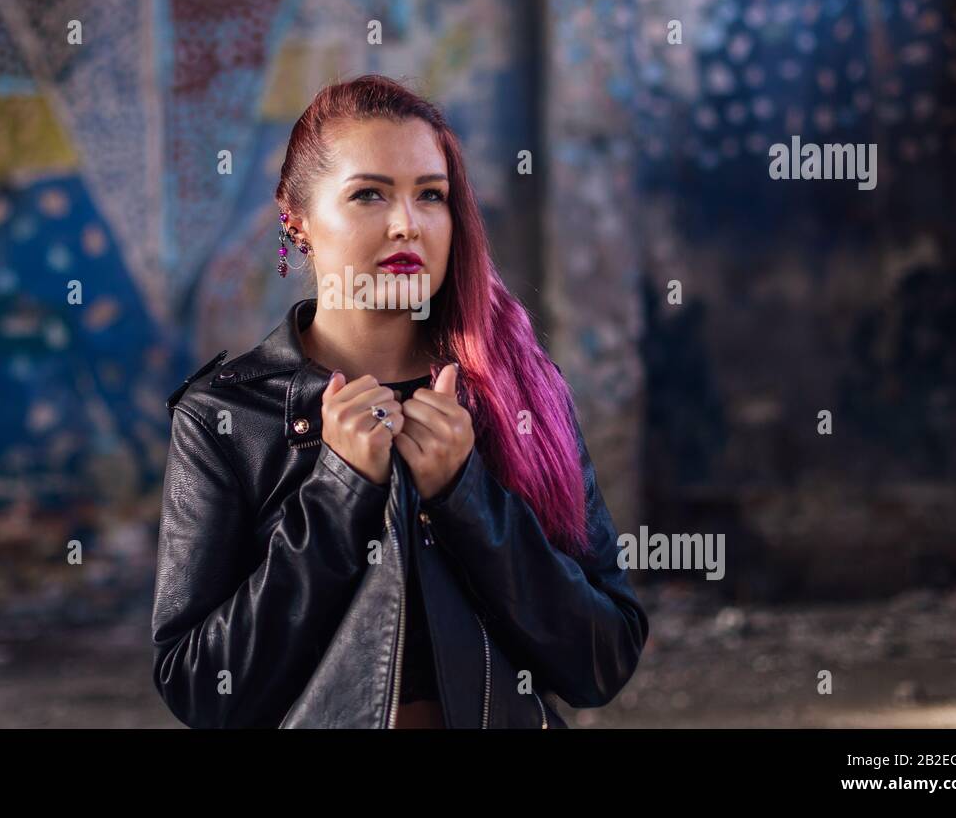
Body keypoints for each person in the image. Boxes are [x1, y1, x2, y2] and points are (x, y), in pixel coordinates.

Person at [151, 74, 648, 728]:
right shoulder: (226, 417)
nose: (406, 224)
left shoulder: (517, 391)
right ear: (297, 222)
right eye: (369, 195)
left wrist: (465, 494)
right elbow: (201, 689)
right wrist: (339, 491)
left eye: (431, 196)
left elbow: (602, 662)